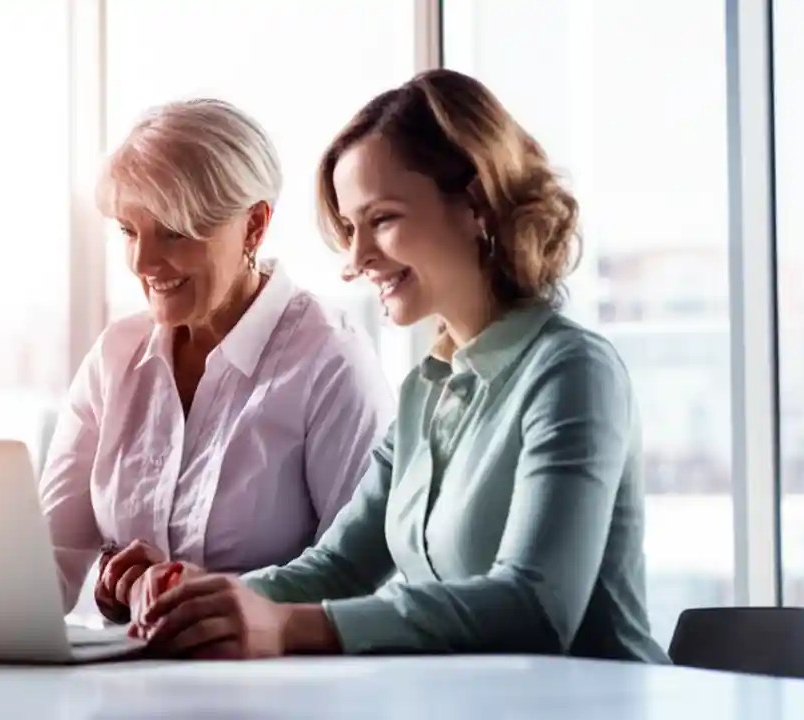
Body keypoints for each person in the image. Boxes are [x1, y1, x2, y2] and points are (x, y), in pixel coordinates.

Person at [130, 70, 669, 663]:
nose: (356, 260)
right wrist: (198, 600)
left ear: (476, 205)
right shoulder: (426, 393)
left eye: (382, 219)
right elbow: (337, 568)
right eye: (350, 228)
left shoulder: (572, 371)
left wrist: (286, 627)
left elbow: (535, 608)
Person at [39, 98, 394, 623]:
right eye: (129, 231)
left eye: (173, 231)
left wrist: (188, 595)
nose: (143, 261)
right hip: (128, 687)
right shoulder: (115, 358)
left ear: (254, 226)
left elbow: (355, 584)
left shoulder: (330, 360)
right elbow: (47, 568)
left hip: (274, 694)